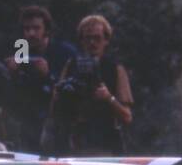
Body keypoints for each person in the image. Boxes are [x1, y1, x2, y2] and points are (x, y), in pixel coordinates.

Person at [47, 14, 133, 156]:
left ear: (106, 40)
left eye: (97, 38)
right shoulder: (71, 66)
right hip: (75, 145)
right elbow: (54, 109)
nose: (92, 43)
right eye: (88, 38)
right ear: (81, 40)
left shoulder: (115, 69)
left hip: (105, 147)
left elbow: (127, 116)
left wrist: (108, 98)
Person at [4, 5, 77, 152]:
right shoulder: (22, 50)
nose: (31, 33)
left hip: (58, 124)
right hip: (28, 123)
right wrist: (12, 74)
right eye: (27, 29)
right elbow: (14, 94)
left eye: (36, 28)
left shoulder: (64, 52)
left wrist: (49, 76)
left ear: (47, 30)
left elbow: (73, 91)